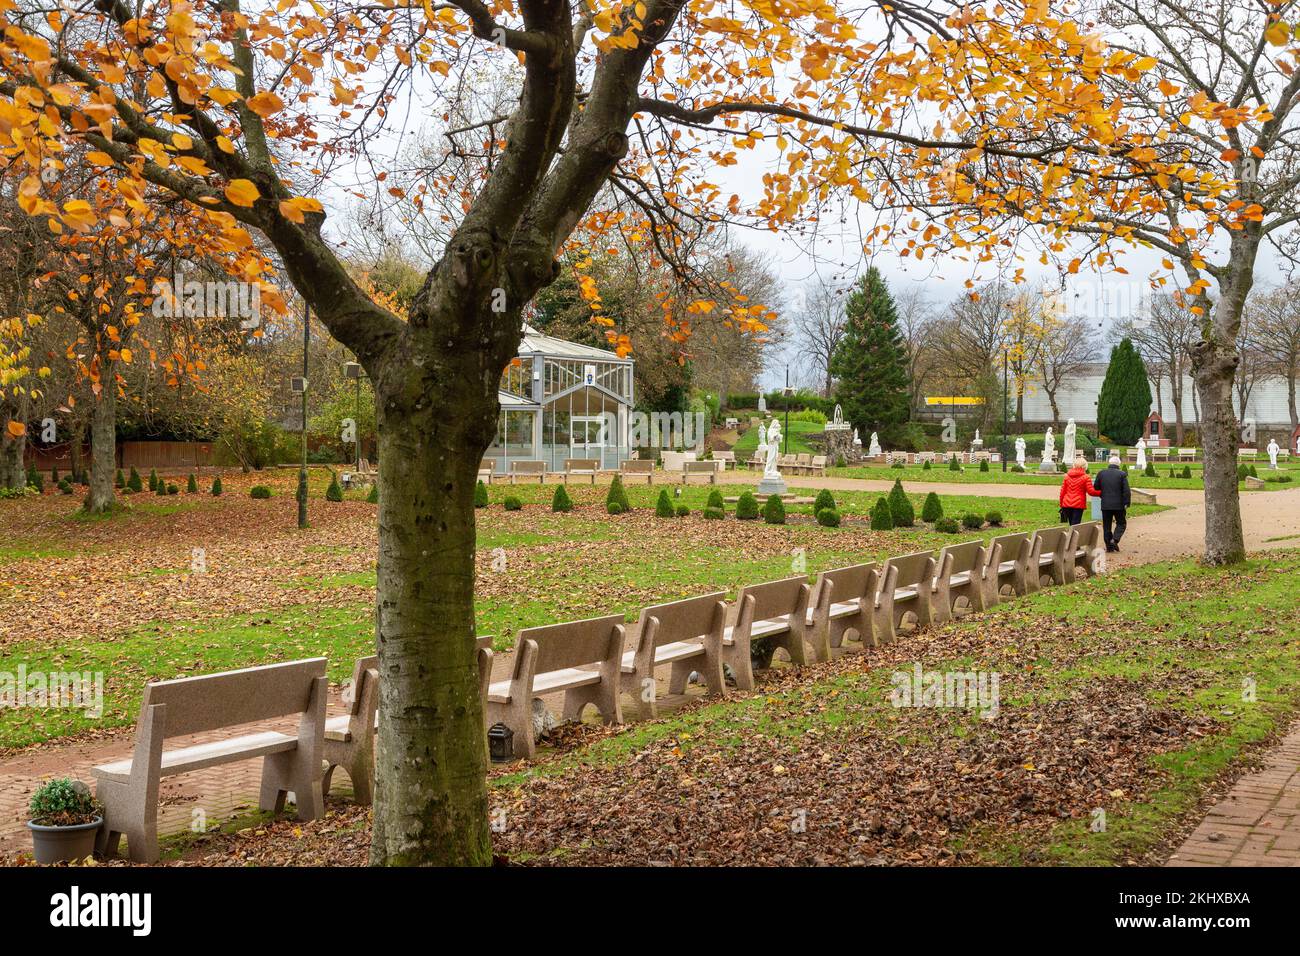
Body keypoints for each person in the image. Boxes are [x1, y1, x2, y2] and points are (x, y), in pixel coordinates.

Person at [1092, 454, 1132, 552]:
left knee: (1106, 525)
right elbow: (1126, 490)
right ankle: (1114, 540)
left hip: (1105, 504)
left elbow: (1096, 487)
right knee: (1121, 523)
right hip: (1119, 505)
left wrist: (1104, 493)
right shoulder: (1122, 474)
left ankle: (1109, 546)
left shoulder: (1101, 473)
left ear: (1109, 463)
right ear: (1119, 464)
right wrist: (1127, 502)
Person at [1058, 455, 1096, 525]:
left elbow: (1062, 492)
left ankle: (1071, 535)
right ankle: (1073, 536)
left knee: (1071, 524)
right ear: (1085, 466)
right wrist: (1102, 492)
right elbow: (1091, 492)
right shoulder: (1086, 477)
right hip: (1078, 504)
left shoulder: (1067, 476)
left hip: (1066, 504)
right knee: (1075, 525)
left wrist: (1061, 505)